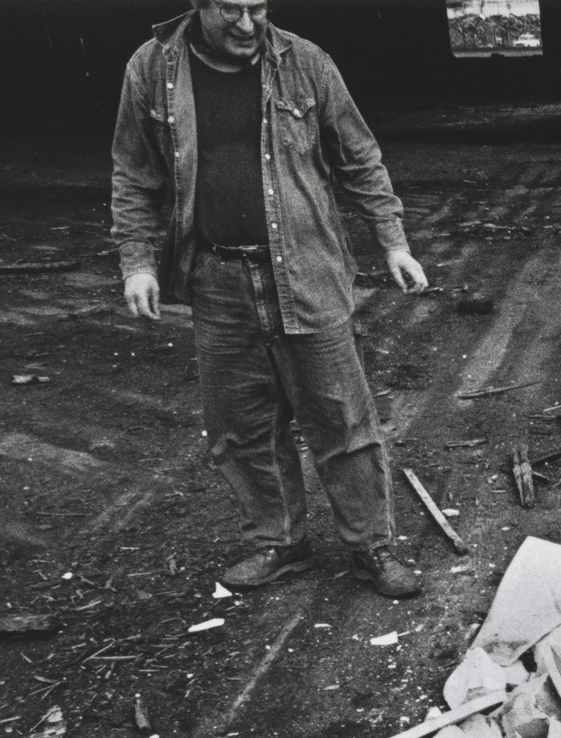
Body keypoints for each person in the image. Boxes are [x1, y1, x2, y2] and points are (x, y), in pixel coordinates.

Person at [110, 0, 429, 598]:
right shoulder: (151, 68)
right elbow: (134, 173)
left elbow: (359, 158)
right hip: (217, 278)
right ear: (199, 5)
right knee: (242, 428)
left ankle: (371, 548)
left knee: (342, 418)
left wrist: (393, 243)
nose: (247, 24)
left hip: (307, 271)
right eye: (231, 10)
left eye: (257, 8)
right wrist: (138, 263)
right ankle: (280, 544)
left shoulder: (305, 62)